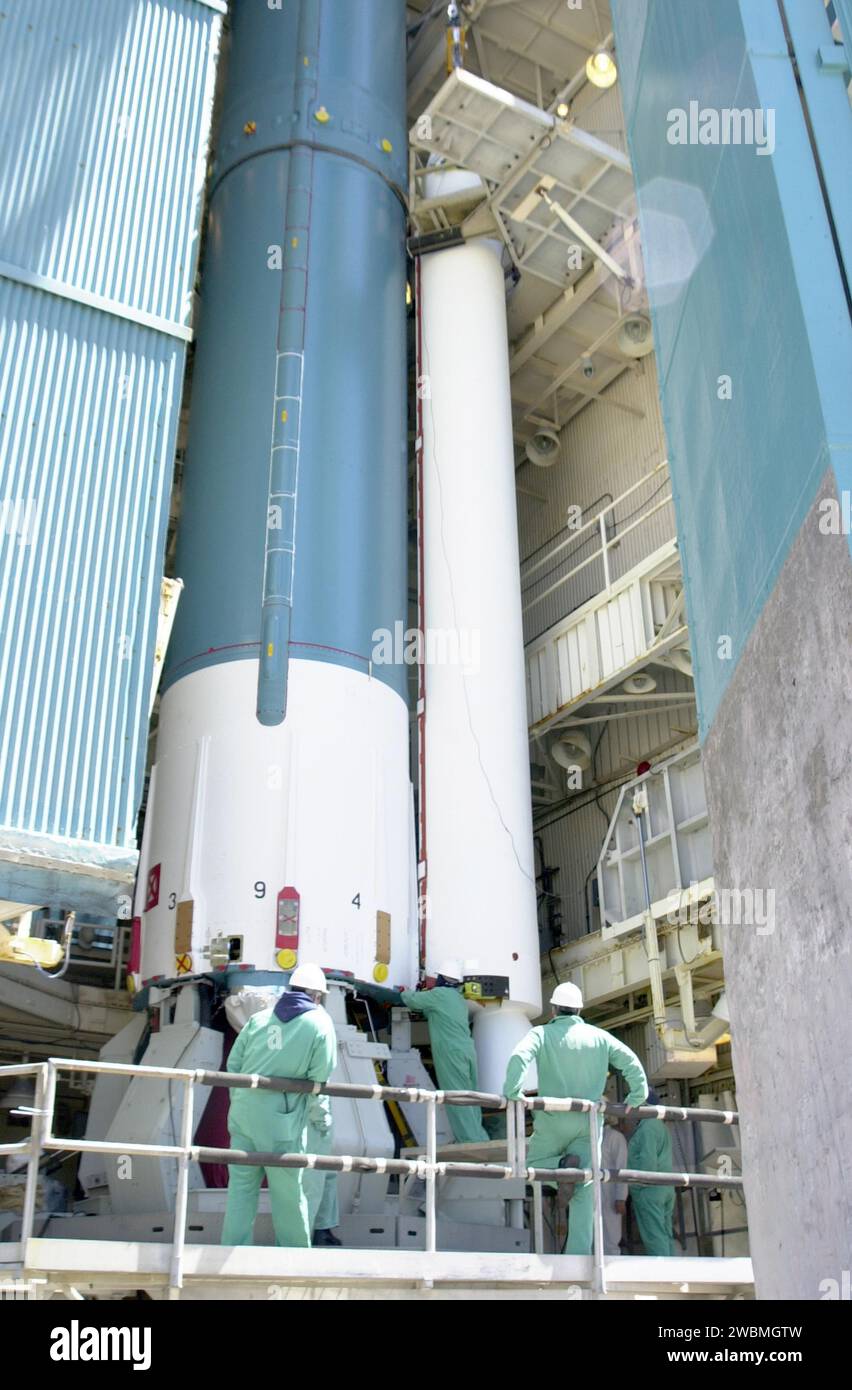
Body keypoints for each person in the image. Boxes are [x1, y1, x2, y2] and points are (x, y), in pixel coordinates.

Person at [503, 981, 647, 1255]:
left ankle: (560, 1167)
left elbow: (519, 1056)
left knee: (532, 1166)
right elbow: (632, 1063)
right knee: (586, 1182)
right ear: (580, 1010)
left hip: (552, 1117)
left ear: (554, 1009)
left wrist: (513, 1092)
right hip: (588, 1123)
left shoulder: (541, 1034)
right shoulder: (599, 1037)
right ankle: (578, 1257)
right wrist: (636, 1098)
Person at [221, 963, 337, 1248]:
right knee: (288, 1193)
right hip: (281, 1123)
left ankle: (232, 1251)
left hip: (243, 1115)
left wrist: (240, 1101)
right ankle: (293, 1257)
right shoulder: (319, 1023)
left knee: (240, 1191)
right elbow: (319, 1079)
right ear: (317, 996)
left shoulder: (259, 1018)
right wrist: (321, 1121)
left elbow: (234, 1065)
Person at [400, 960, 489, 1144]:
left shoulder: (439, 994)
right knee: (471, 1097)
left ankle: (472, 1142)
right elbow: (433, 1013)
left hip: (452, 1053)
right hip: (467, 1050)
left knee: (457, 1098)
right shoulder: (458, 999)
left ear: (441, 978)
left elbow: (411, 1000)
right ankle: (479, 1137)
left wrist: (403, 991)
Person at [626, 1087, 675, 1255]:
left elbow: (648, 1163)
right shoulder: (660, 1126)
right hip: (667, 1187)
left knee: (654, 1236)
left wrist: (635, 1187)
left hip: (649, 1190)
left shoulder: (647, 1128)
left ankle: (664, 1277)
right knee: (666, 1234)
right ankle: (676, 1274)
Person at [304, 1092, 341, 1247]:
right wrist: (323, 1120)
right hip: (312, 1117)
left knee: (325, 1172)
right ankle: (320, 1230)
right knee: (321, 1173)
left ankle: (322, 1229)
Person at [601, 1119, 628, 1255]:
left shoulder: (615, 1137)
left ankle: (611, 1271)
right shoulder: (587, 1137)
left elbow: (622, 1168)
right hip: (591, 1192)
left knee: (611, 1237)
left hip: (610, 1192)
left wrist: (621, 1198)